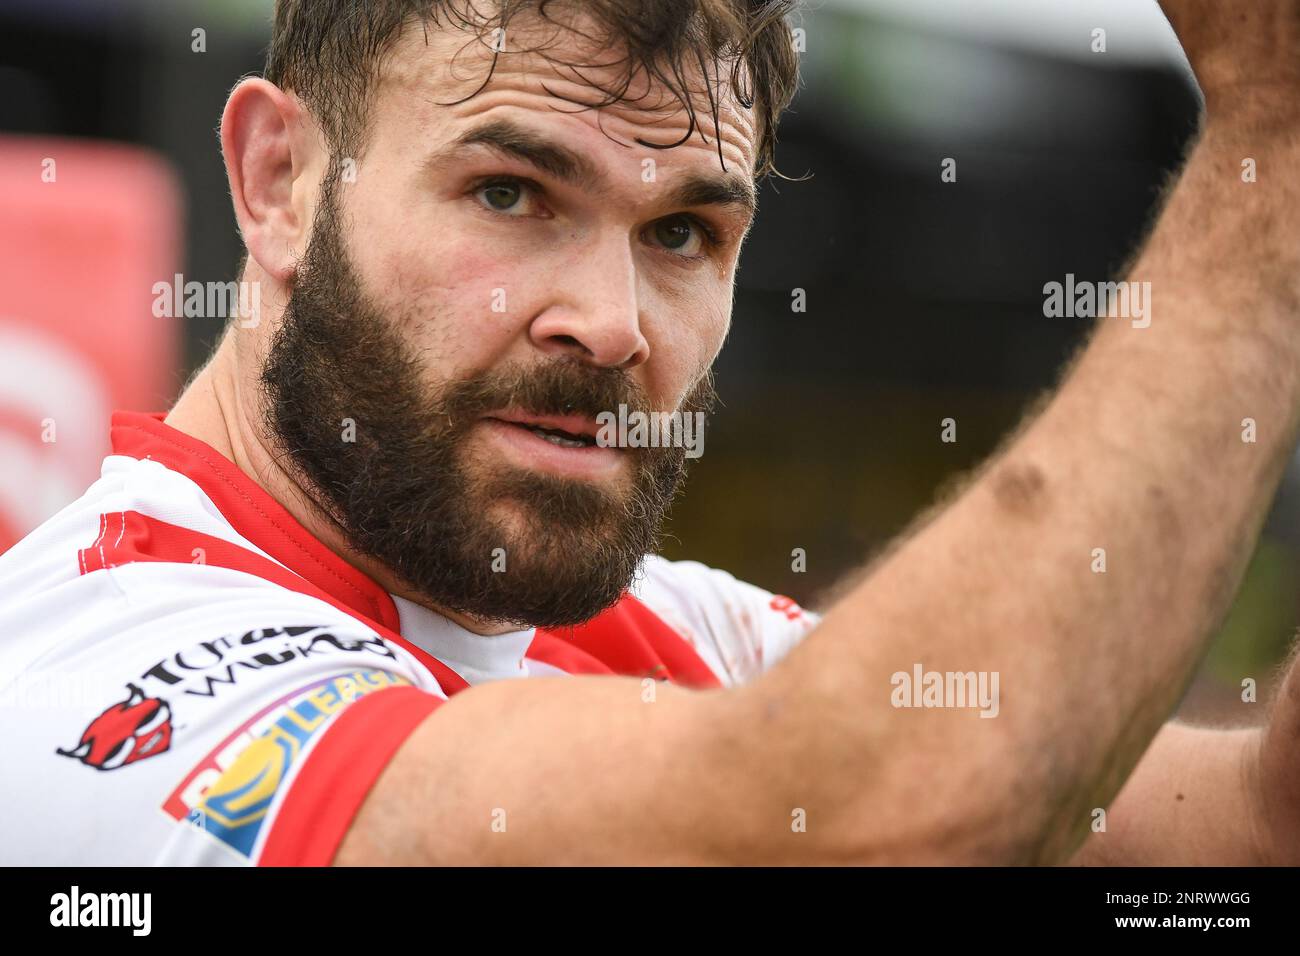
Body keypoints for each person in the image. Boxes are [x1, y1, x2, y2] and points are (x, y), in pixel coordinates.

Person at [1, 0, 1297, 866]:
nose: (614, 326)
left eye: (684, 233)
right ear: (277, 181)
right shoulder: (98, 681)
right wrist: (1274, 157)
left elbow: (1250, 821)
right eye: (510, 192)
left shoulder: (662, 630)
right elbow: (909, 808)